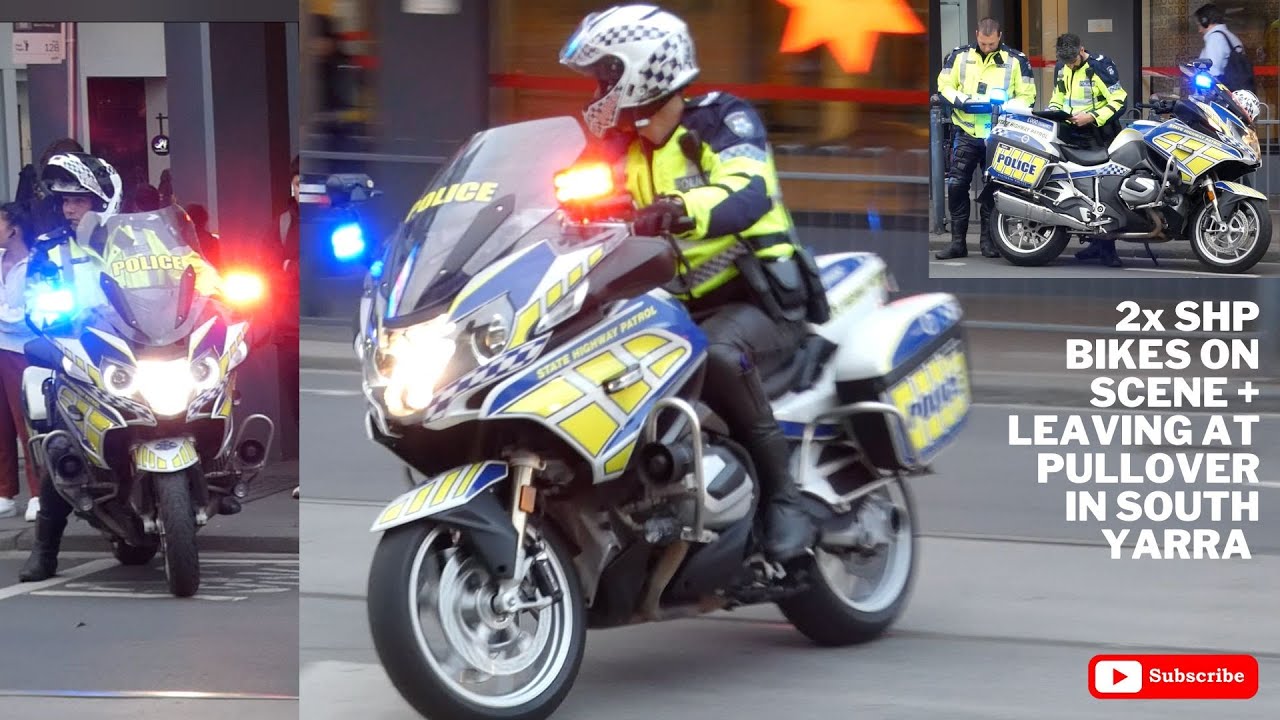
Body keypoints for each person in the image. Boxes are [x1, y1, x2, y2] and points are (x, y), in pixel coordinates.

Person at [560, 4, 828, 565]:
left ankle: (785, 499)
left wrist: (679, 208)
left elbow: (747, 191)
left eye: (605, 75)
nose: (598, 89)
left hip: (756, 298)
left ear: (641, 69)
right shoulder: (621, 147)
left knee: (722, 358)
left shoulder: (721, 120)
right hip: (671, 308)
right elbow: (566, 198)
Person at [18, 152, 220, 581]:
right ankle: (45, 547)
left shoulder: (141, 239)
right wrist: (48, 312)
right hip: (82, 353)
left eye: (80, 200)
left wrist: (215, 292)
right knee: (57, 435)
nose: (70, 208)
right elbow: (34, 303)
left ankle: (218, 475)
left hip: (149, 346)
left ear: (103, 199)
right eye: (65, 201)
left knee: (207, 390)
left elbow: (193, 269)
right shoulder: (50, 249)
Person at [935, 17, 1037, 260]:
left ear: (999, 36)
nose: (987, 47)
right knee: (957, 185)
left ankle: (988, 242)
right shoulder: (959, 55)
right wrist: (962, 101)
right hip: (966, 131)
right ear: (977, 34)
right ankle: (958, 242)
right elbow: (944, 85)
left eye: (991, 44)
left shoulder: (1016, 60)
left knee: (995, 189)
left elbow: (1028, 95)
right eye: (982, 42)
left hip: (999, 133)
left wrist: (1003, 107)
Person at [1047, 33, 1129, 267]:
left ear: (1081, 50)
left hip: (1099, 134)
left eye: (1073, 60)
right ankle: (1094, 244)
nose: (1070, 65)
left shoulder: (1101, 66)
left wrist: (1092, 116)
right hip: (1072, 132)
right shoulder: (1062, 67)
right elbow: (1058, 96)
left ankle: (1108, 249)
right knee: (1080, 190)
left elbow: (1119, 100)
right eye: (1066, 61)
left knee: (1103, 192)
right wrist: (1053, 113)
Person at [0, 203, 39, 522]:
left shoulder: (35, 264)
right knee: (0, 425)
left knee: (27, 422)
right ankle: (5, 492)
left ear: (14, 228)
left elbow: (28, 316)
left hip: (20, 350)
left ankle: (38, 493)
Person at [1195, 4, 1255, 92]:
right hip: (1236, 93)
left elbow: (1211, 72)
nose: (1199, 30)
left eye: (1199, 25)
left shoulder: (1215, 38)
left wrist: (1201, 95)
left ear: (1205, 21)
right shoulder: (1230, 36)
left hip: (1222, 97)